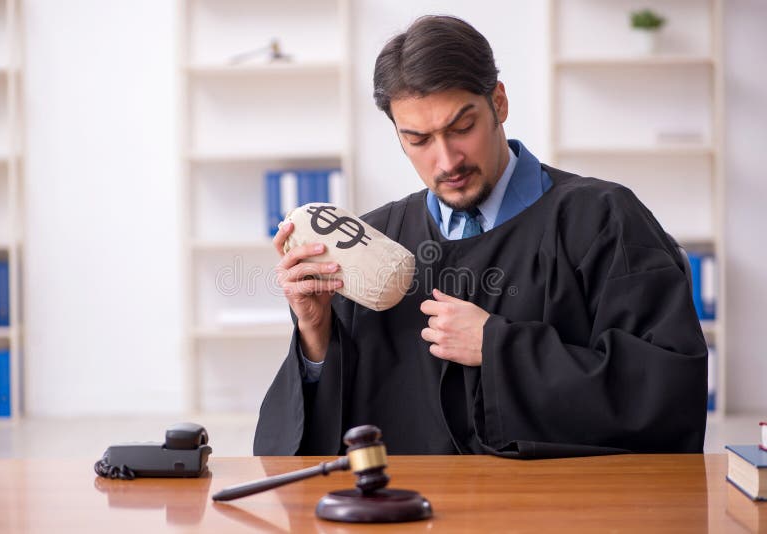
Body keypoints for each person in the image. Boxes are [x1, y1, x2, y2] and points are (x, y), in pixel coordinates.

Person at [254, 15, 708, 458]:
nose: (447, 160)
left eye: (462, 128)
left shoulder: (604, 220)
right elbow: (324, 443)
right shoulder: (374, 244)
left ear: (500, 103)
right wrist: (315, 334)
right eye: (418, 140)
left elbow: (668, 393)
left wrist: (499, 348)